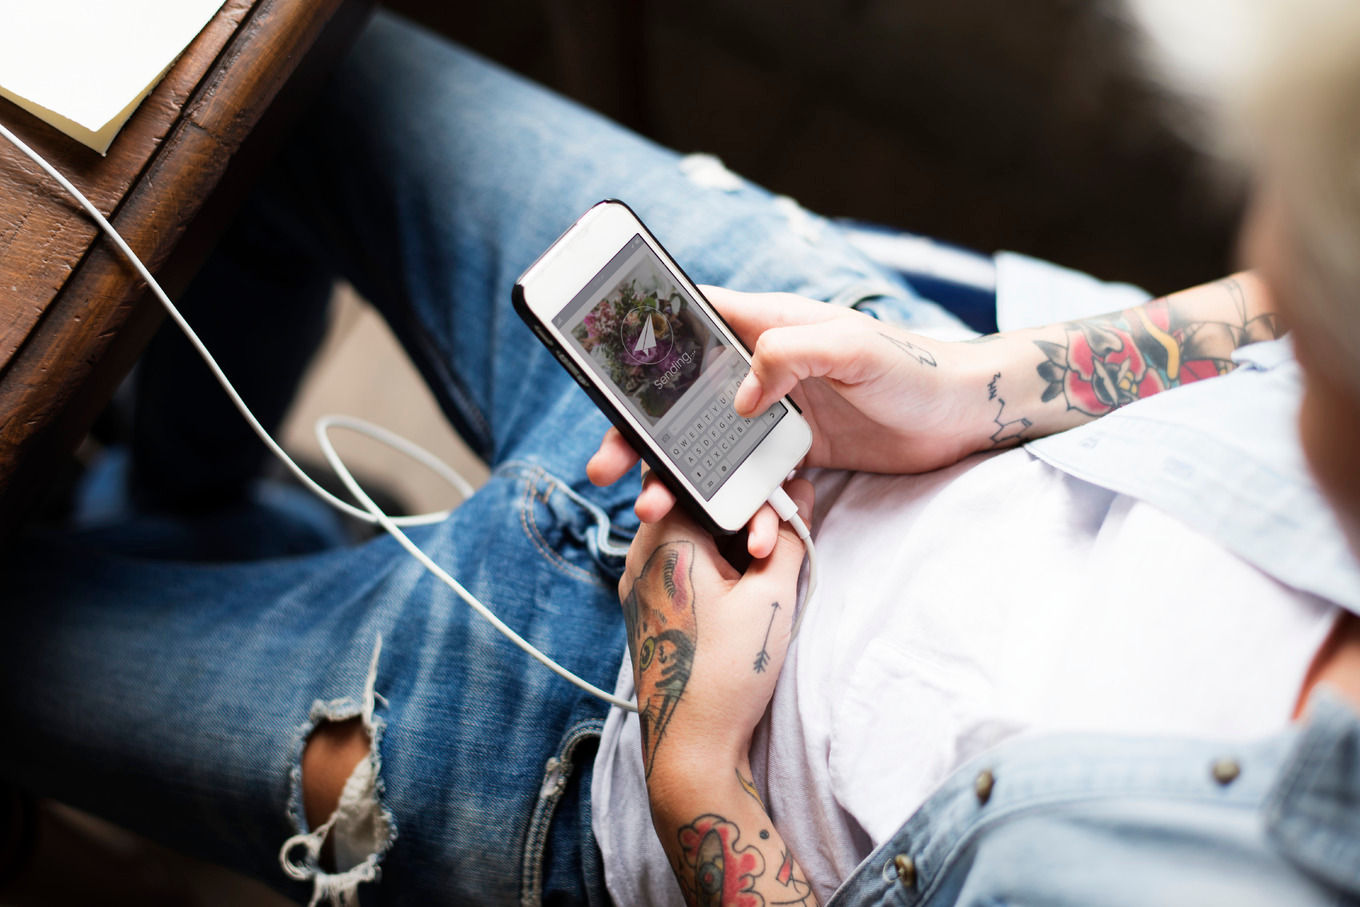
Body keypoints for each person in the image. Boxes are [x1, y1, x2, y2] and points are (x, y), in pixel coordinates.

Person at [1, 5, 1357, 906]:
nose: (1275, 282)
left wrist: (697, 767)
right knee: (219, 66)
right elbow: (1272, 312)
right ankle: (185, 508)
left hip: (552, 751)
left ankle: (183, 520)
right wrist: (961, 388)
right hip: (798, 375)